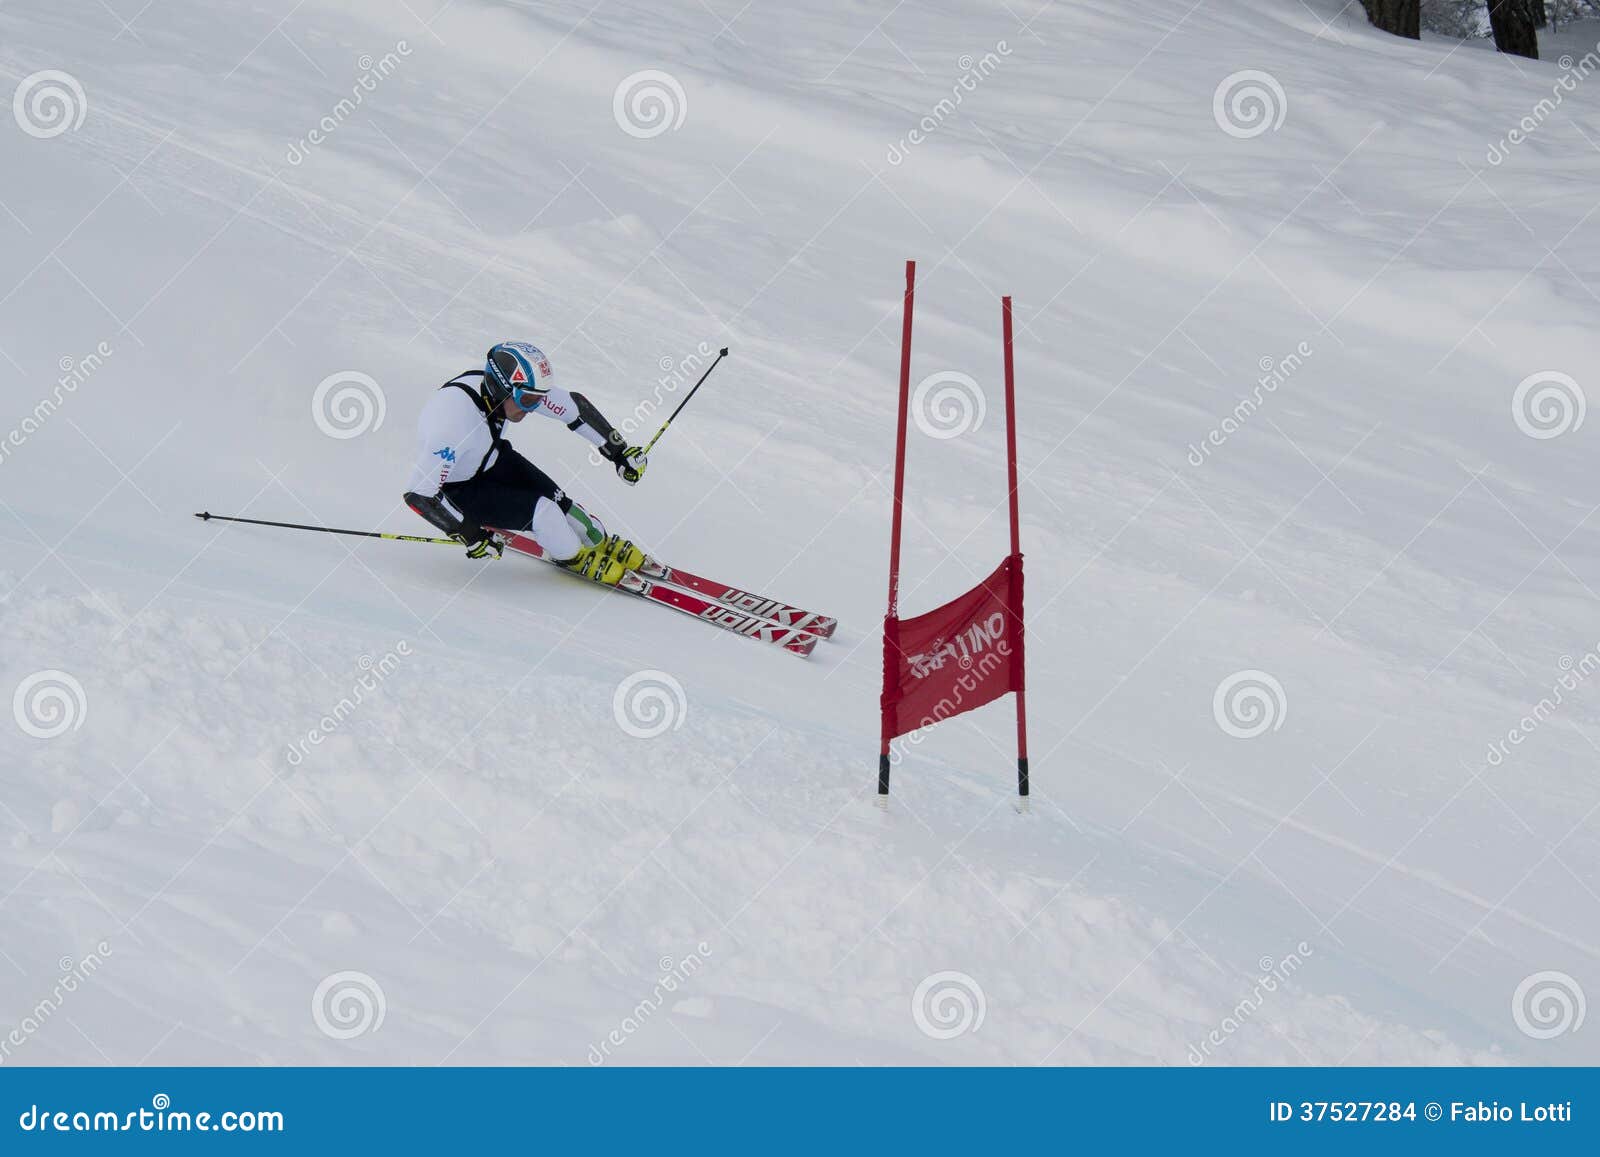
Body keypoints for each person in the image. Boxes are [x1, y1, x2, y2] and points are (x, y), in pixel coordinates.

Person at [402, 341, 649, 584]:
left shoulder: (510, 390)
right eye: (529, 400)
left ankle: (598, 541)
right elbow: (419, 493)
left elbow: (573, 407)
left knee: (568, 510)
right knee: (546, 513)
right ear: (501, 389)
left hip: (492, 458)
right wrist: (471, 534)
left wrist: (619, 451)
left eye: (539, 399)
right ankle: (574, 557)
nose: (533, 408)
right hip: (458, 491)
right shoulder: (452, 422)